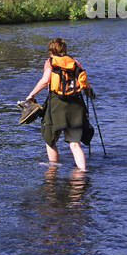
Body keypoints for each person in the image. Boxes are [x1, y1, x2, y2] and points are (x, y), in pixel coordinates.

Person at [24, 37, 93, 171]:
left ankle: (53, 168)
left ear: (51, 51)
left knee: (50, 138)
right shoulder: (74, 62)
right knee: (75, 144)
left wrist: (31, 94)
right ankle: (83, 171)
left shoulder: (50, 62)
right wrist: (89, 92)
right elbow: (84, 82)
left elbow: (45, 81)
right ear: (65, 49)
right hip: (76, 105)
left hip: (57, 105)